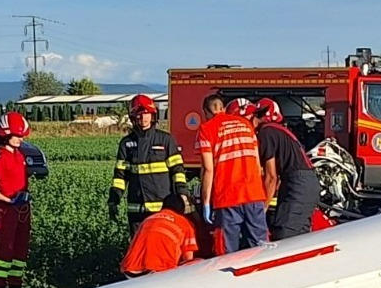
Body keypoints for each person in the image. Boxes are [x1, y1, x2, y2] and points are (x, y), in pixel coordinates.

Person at [197, 94, 269, 252]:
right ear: (223, 108)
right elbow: (257, 163)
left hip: (228, 197)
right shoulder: (245, 124)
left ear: (205, 112)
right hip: (254, 194)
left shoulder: (206, 129)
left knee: (228, 253)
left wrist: (206, 202)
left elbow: (209, 169)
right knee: (261, 248)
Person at [109, 94, 187, 235]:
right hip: (137, 210)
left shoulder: (165, 140)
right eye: (139, 115)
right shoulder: (126, 143)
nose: (143, 118)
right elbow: (120, 176)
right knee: (138, 248)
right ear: (133, 118)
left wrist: (182, 193)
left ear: (152, 115)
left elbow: (178, 170)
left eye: (146, 114)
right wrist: (114, 200)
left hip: (163, 208)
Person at [251, 97, 320, 240]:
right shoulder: (279, 131)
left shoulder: (266, 132)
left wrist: (261, 210)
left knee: (286, 234)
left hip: (298, 183)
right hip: (303, 182)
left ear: (259, 116)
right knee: (294, 232)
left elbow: (271, 177)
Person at [0, 112, 33, 288]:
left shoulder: (19, 155)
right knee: (4, 252)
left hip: (22, 208)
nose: (21, 139)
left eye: (22, 136)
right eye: (17, 136)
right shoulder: (0, 156)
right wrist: (8, 200)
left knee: (20, 252)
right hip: (7, 210)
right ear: (6, 135)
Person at [120, 193, 200, 277]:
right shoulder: (185, 224)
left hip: (130, 270)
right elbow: (188, 261)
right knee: (197, 262)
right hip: (158, 270)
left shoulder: (148, 220)